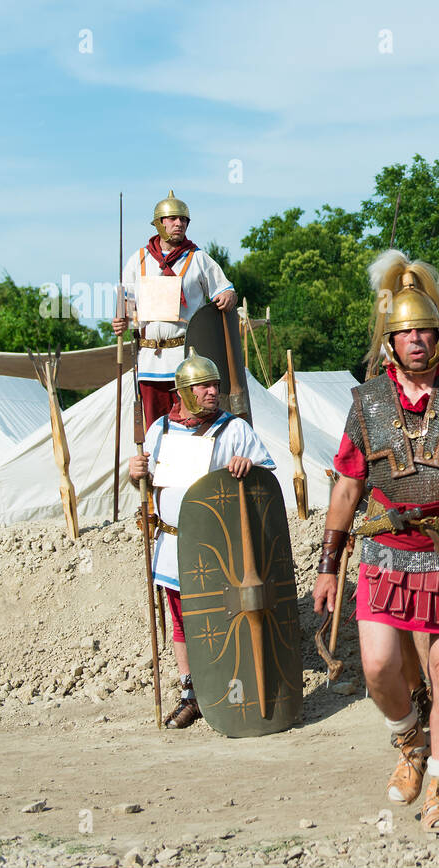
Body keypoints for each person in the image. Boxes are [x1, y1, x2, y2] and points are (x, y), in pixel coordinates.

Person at [313, 250, 439, 834]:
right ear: (391, 340)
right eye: (405, 333)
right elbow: (349, 484)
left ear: (437, 336)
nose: (416, 342)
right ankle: (410, 741)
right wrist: (328, 564)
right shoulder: (367, 401)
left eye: (424, 332)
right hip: (384, 550)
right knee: (379, 666)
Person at [128, 351, 275, 728]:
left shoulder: (234, 430)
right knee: (183, 622)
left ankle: (233, 692)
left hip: (219, 550)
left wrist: (249, 467)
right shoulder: (158, 431)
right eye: (204, 386)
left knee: (226, 617)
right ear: (183, 393)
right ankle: (190, 694)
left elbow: (266, 484)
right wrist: (136, 474)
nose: (213, 392)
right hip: (172, 545)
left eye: (215, 385)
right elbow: (147, 487)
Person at [115, 190, 238, 429]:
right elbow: (126, 307)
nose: (179, 224)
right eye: (172, 219)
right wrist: (121, 321)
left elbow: (225, 289)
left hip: (186, 359)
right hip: (149, 362)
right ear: (159, 223)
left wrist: (228, 295)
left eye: (183, 220)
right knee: (153, 430)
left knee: (191, 424)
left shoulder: (198, 258)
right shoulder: (138, 260)